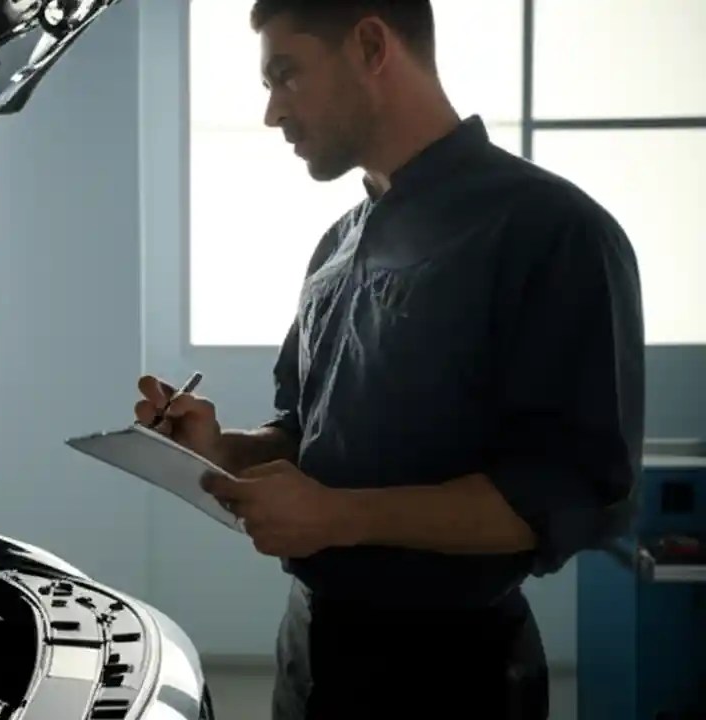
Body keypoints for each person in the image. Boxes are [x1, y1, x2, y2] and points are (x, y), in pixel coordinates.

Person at [133, 1, 645, 718]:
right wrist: (222, 449)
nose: (272, 113)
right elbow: (307, 436)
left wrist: (340, 517)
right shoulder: (336, 246)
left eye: (286, 75)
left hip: (452, 677)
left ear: (371, 44)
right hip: (308, 654)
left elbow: (568, 491)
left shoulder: (552, 232)